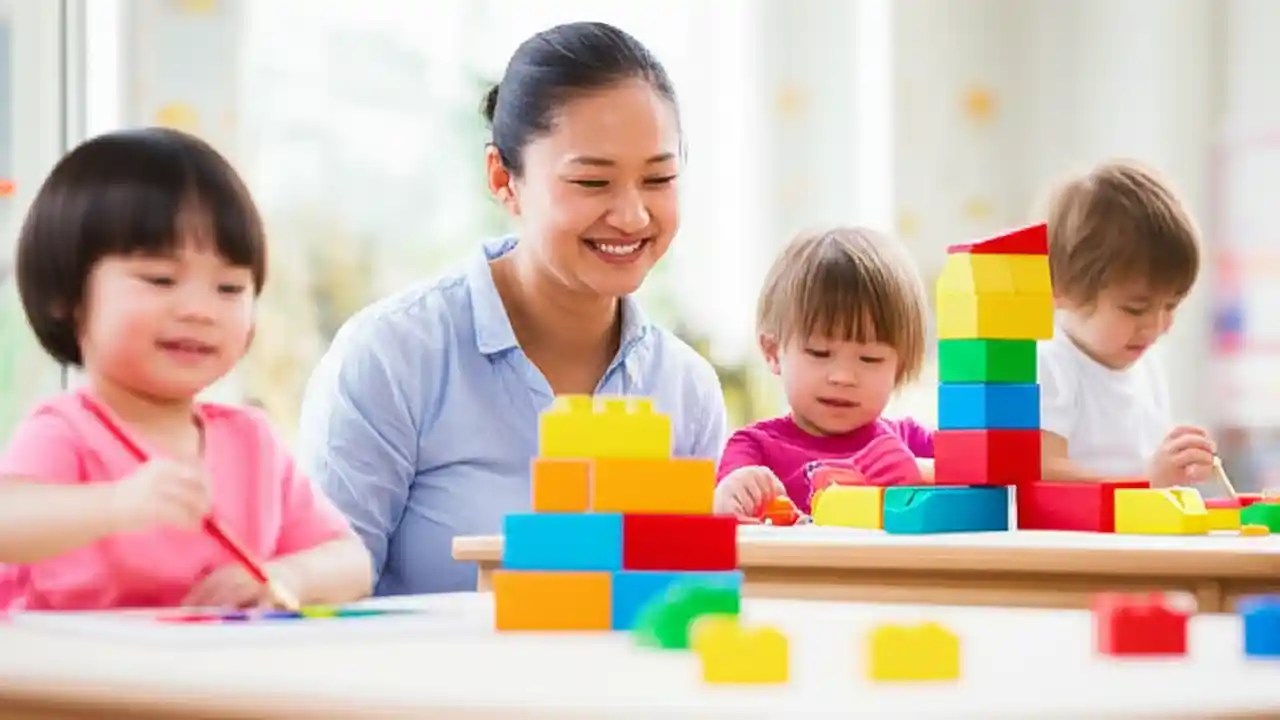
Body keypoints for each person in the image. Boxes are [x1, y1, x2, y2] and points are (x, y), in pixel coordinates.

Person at [296, 22, 727, 596]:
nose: (632, 215)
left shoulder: (686, 390)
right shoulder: (393, 356)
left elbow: (683, 599)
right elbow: (321, 593)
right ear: (504, 179)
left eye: (659, 179)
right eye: (592, 181)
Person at [0, 128, 372, 611]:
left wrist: (285, 576)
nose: (200, 310)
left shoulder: (252, 443)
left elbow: (353, 562)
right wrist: (116, 506)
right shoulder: (67, 431)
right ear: (66, 298)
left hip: (202, 684)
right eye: (161, 279)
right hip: (65, 684)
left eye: (230, 289)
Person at [714, 227, 934, 519]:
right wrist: (732, 496)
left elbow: (1001, 477)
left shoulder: (912, 442)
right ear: (772, 351)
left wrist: (923, 473)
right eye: (819, 353)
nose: (843, 377)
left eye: (870, 358)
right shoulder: (755, 449)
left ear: (901, 365)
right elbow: (727, 517)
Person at [1038, 159, 1215, 487]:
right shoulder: (1049, 363)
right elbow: (1044, 473)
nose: (1158, 325)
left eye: (1172, 305)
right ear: (1061, 289)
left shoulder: (1148, 365)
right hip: (1073, 539)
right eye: (1135, 309)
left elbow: (1148, 476)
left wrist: (1176, 467)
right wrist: (1145, 483)